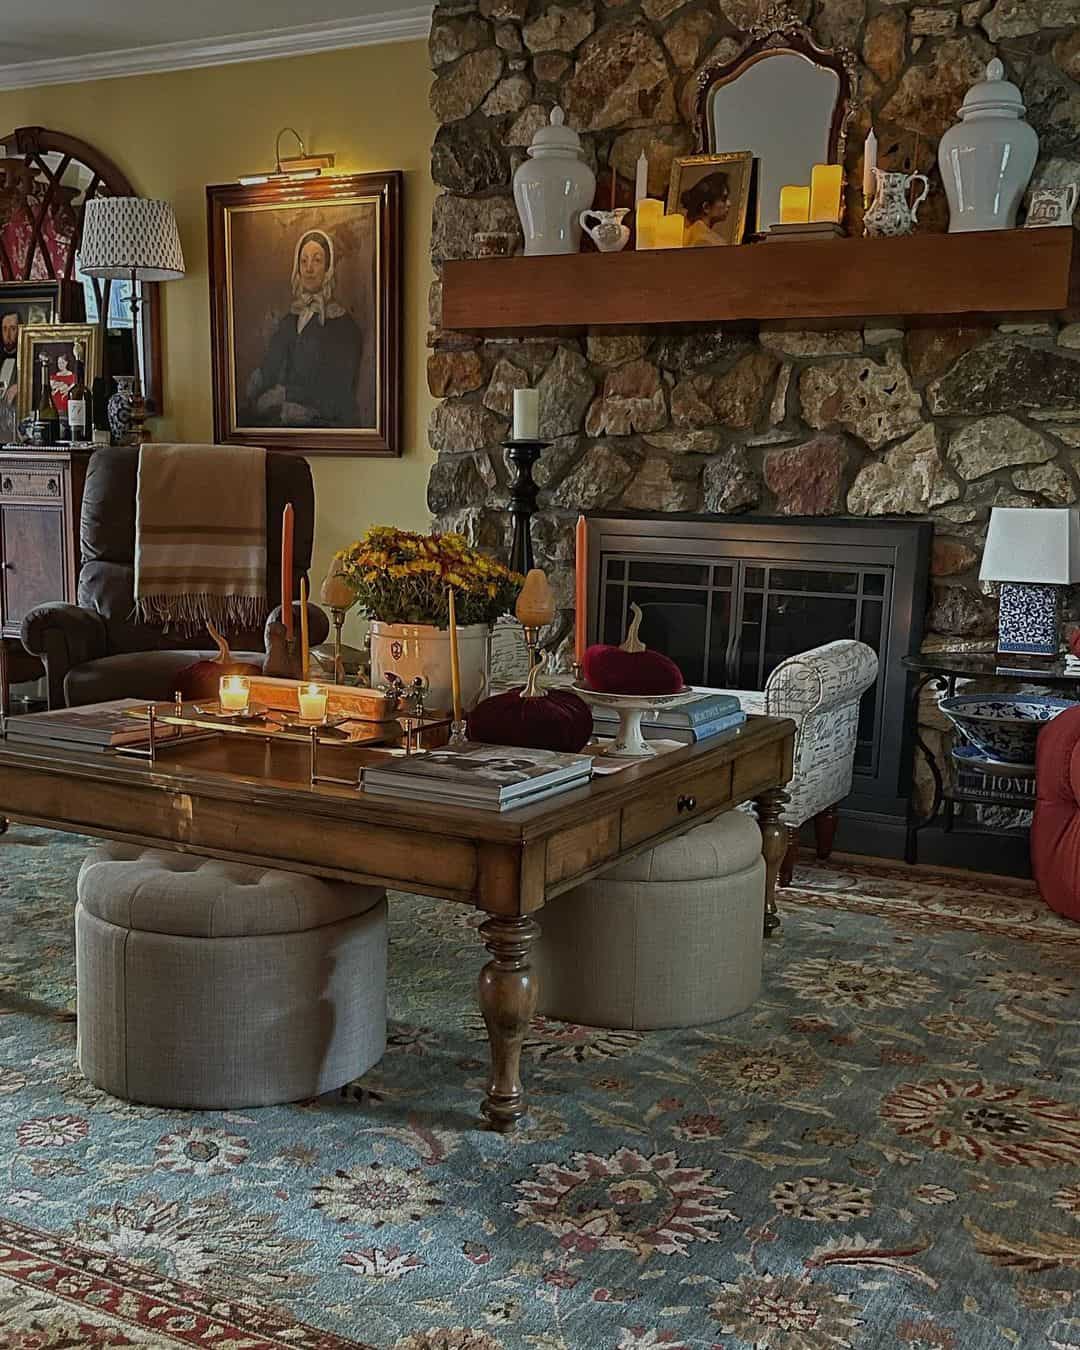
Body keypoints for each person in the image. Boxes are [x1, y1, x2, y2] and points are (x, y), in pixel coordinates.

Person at [244, 229, 361, 428]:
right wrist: (257, 383)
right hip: (280, 421)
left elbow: (338, 390)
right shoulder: (289, 320)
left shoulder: (344, 326)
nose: (309, 269)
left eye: (316, 261)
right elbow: (270, 367)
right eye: (303, 261)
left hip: (327, 425)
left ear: (328, 269)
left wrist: (286, 395)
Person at [681, 171, 733, 247]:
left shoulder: (689, 232)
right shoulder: (707, 241)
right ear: (706, 207)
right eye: (723, 199)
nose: (729, 204)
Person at [0, 311, 18, 406]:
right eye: (4, 329)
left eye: (13, 329)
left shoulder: (27, 358)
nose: (8, 335)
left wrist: (21, 386)